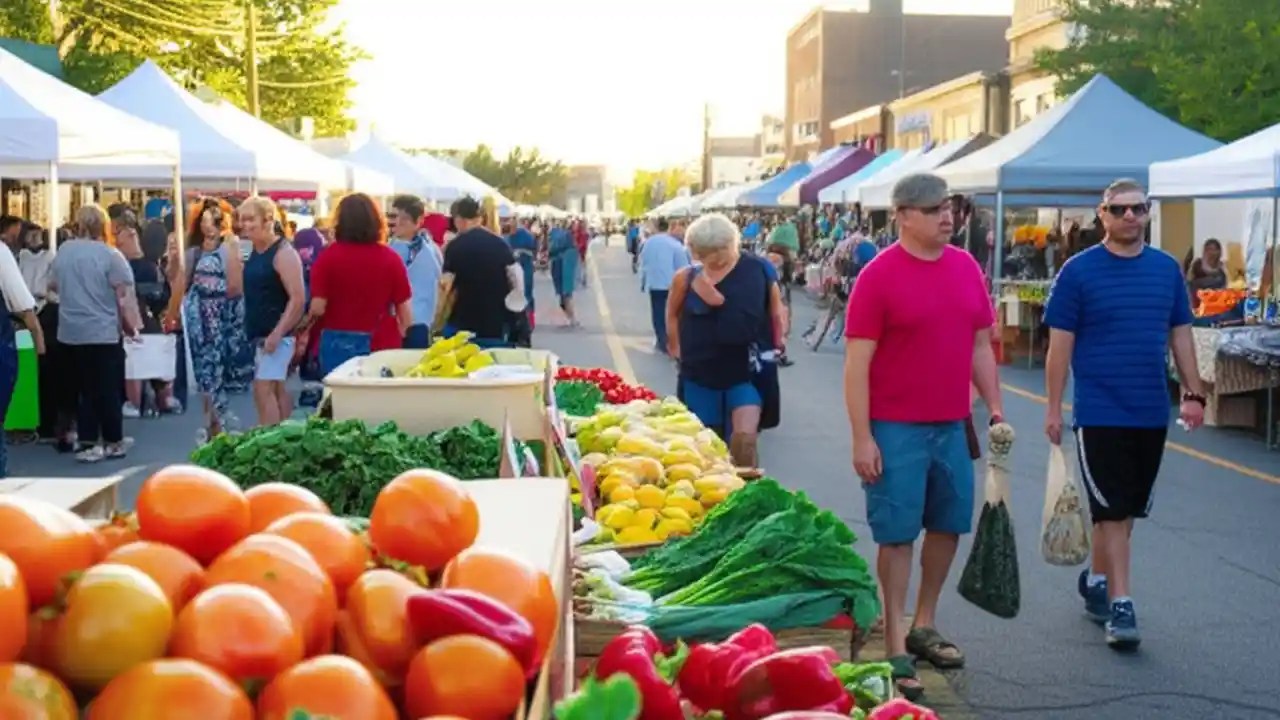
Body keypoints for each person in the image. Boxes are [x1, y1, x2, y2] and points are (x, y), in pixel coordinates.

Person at [843, 174, 1002, 700]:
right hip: (895, 427)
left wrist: (995, 409)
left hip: (952, 423)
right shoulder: (877, 276)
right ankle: (894, 642)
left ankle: (924, 622)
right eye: (934, 209)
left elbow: (981, 345)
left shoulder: (966, 268)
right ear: (903, 216)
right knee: (895, 534)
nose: (947, 216)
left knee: (949, 524)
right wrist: (862, 437)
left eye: (950, 206)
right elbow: (856, 364)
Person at [1043, 178, 1205, 651]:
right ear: (1103, 215)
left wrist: (1194, 393)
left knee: (1124, 511)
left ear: (1148, 213)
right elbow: (1059, 348)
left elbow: (1181, 335)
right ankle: (1122, 605)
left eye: (1137, 209)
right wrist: (1054, 407)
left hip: (1150, 410)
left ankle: (1096, 581)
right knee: (1112, 510)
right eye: (1120, 210)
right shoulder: (1078, 272)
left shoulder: (1166, 271)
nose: (1129, 217)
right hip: (1099, 410)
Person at [666, 213, 772, 467]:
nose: (710, 259)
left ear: (729, 245)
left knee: (744, 443)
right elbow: (672, 313)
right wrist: (677, 348)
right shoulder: (686, 277)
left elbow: (777, 307)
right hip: (700, 372)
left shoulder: (756, 269)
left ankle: (747, 494)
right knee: (705, 446)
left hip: (745, 370)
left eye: (714, 252)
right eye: (702, 253)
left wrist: (779, 339)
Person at [50, 204, 140, 463]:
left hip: (70, 330)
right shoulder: (110, 256)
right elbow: (123, 295)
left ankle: (88, 440)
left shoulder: (64, 252)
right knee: (107, 388)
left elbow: (52, 285)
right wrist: (131, 327)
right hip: (102, 330)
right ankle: (112, 440)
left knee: (83, 388)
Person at [304, 193, 412, 375]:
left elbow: (318, 307)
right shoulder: (391, 259)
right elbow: (406, 315)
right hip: (381, 341)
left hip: (336, 340)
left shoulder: (328, 258)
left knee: (340, 396)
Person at [180, 198, 245, 442]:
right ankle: (213, 421)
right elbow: (181, 283)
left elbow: (236, 286)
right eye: (205, 222)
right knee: (204, 370)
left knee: (216, 368)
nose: (209, 228)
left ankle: (217, 419)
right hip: (198, 318)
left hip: (220, 317)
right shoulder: (193, 252)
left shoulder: (230, 247)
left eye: (213, 222)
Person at [238, 196, 306, 427]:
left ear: (267, 220)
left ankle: (267, 438)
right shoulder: (255, 251)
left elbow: (297, 299)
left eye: (250, 219)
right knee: (275, 387)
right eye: (242, 220)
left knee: (262, 388)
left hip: (278, 336)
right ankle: (282, 436)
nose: (245, 225)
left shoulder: (283, 253)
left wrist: (278, 333)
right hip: (261, 334)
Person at [440, 197, 520, 347]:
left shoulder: (455, 246)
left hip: (463, 321)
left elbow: (446, 287)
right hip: (495, 322)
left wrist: (437, 321)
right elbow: (515, 282)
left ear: (458, 219)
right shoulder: (501, 244)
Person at [387, 194, 442, 348]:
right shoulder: (393, 246)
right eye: (393, 216)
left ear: (418, 222)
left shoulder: (428, 249)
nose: (396, 222)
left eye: (403, 219)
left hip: (416, 323)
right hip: (399, 321)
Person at [638, 218, 690, 354]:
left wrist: (643, 282)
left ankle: (662, 340)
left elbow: (643, 264)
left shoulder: (647, 243)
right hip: (671, 283)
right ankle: (672, 341)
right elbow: (683, 266)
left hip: (654, 283)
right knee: (673, 313)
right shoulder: (675, 245)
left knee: (657, 313)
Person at [548, 221, 580, 327]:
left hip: (561, 267)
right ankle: (572, 318)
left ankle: (572, 318)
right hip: (563, 267)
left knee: (565, 295)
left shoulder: (558, 240)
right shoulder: (568, 244)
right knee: (566, 295)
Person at [1186, 237, 1228, 310]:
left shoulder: (1223, 268)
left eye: (1214, 249)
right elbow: (1189, 282)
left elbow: (1226, 286)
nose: (1211, 253)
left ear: (1219, 252)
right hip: (1198, 304)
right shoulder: (1197, 264)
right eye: (1208, 249)